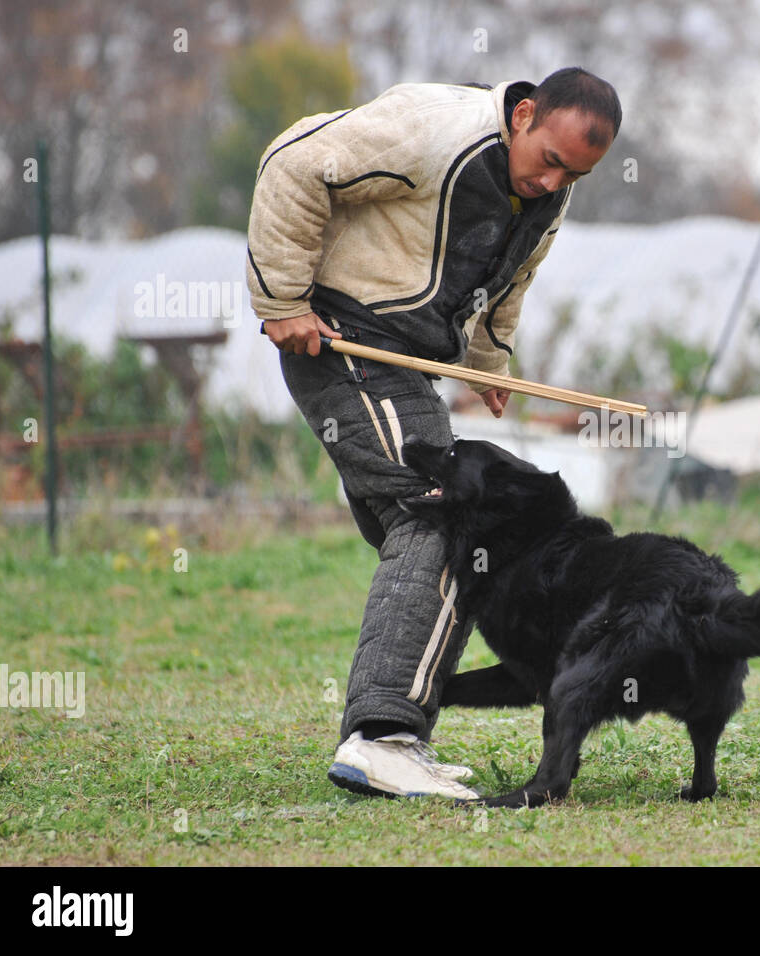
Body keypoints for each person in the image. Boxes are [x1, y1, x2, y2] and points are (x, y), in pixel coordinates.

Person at [246, 67, 621, 799]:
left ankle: (391, 739)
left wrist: (487, 360)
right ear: (525, 114)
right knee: (449, 509)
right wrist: (282, 297)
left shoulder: (550, 187)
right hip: (340, 342)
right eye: (549, 159)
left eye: (575, 173)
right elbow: (293, 162)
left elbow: (513, 272)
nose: (554, 182)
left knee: (434, 526)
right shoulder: (436, 127)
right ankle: (383, 738)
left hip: (406, 367)